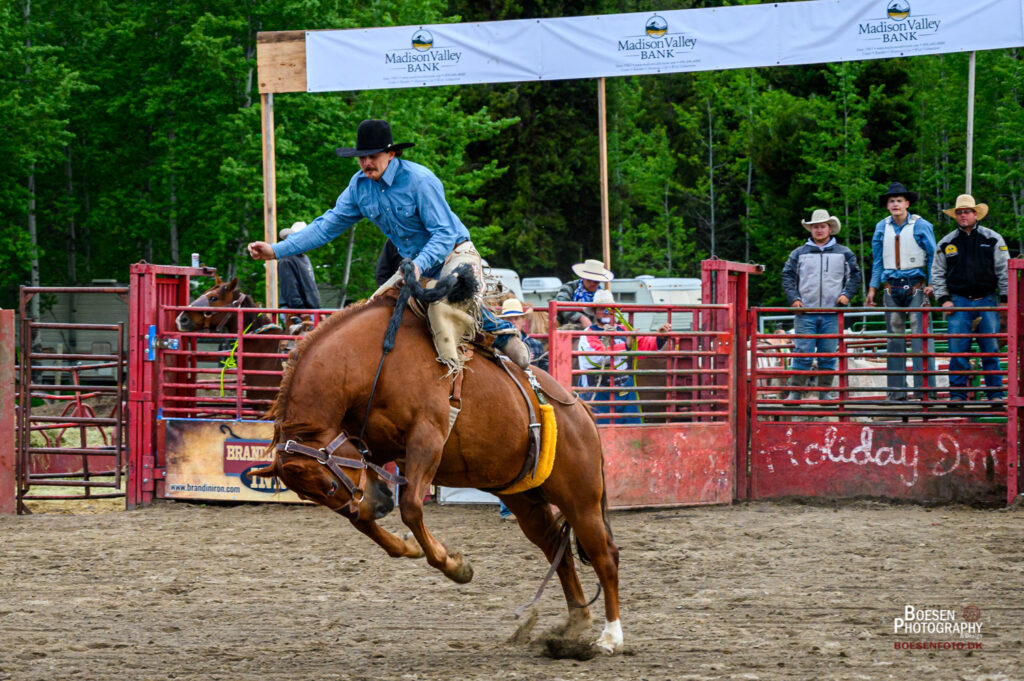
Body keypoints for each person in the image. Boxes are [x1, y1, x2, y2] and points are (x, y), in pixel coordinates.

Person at [247, 119, 530, 370]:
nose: (366, 163)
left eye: (372, 156)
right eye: (361, 158)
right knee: (372, 311)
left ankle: (497, 338)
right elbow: (326, 226)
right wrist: (275, 250)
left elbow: (444, 234)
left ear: (391, 154)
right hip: (413, 263)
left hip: (454, 253)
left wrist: (417, 266)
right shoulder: (359, 187)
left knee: (443, 309)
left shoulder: (420, 181)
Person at [931, 194, 1009, 402]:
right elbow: (937, 272)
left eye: (967, 212)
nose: (963, 215)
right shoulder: (947, 242)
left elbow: (1004, 269)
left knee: (990, 349)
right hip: (958, 301)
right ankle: (957, 395)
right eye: (959, 212)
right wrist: (943, 299)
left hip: (987, 300)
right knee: (958, 350)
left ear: (976, 214)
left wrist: (1004, 299)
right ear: (955, 216)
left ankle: (995, 394)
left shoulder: (992, 239)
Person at [865, 182, 938, 401]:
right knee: (894, 339)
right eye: (892, 201)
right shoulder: (882, 227)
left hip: (916, 286)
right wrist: (872, 287)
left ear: (907, 203)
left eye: (899, 200)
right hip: (891, 287)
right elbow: (877, 260)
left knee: (921, 338)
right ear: (887, 205)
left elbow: (934, 255)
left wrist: (933, 283)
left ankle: (925, 391)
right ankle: (896, 392)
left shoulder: (921, 225)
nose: (895, 204)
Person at [780, 209, 861, 403]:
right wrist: (794, 299)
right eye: (815, 226)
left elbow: (855, 276)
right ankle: (796, 392)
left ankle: (825, 391)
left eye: (822, 226)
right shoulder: (799, 253)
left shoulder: (844, 253)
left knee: (828, 354)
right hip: (805, 311)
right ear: (811, 229)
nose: (819, 230)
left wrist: (846, 295)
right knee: (803, 353)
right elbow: (787, 276)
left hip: (832, 312)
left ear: (830, 228)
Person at [577, 289, 670, 425]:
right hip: (599, 391)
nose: (606, 312)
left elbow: (642, 344)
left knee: (633, 425)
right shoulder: (588, 333)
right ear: (595, 311)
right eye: (602, 308)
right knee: (600, 429)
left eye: (609, 309)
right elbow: (596, 356)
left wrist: (659, 337)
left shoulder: (623, 329)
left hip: (624, 388)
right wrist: (626, 347)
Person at [277, 221, 322, 319]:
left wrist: (318, 309)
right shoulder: (286, 259)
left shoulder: (303, 258)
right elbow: (290, 288)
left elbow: (311, 286)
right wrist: (300, 310)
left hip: (310, 310)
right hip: (297, 312)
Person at [554, 259, 614, 327]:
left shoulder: (603, 295)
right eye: (589, 279)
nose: (592, 283)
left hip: (594, 329)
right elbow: (561, 304)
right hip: (567, 325)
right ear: (582, 277)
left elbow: (609, 313)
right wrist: (581, 318)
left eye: (596, 281)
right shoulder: (569, 287)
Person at [498, 297, 548, 372]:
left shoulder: (536, 345)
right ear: (503, 322)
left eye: (516, 318)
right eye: (509, 319)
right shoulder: (497, 344)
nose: (513, 322)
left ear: (523, 321)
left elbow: (545, 369)